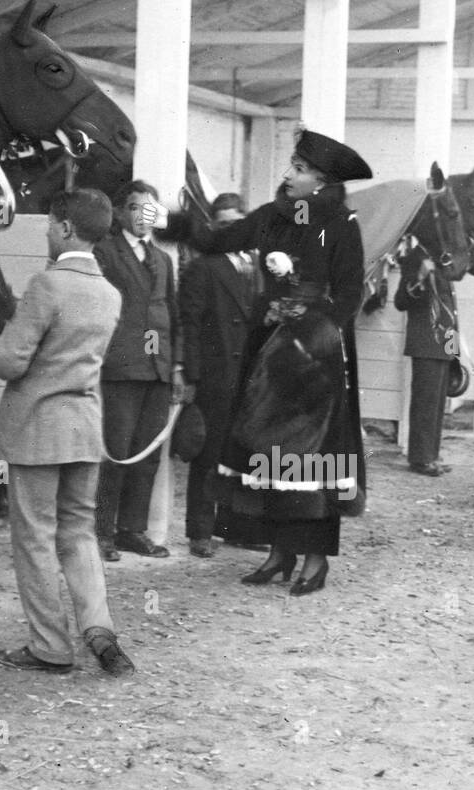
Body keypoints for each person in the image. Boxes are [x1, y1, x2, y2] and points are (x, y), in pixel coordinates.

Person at [162, 128, 371, 596]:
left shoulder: (342, 224)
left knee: (312, 460)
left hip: (315, 359)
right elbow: (216, 240)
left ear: (322, 181)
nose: (286, 175)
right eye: (290, 167)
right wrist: (170, 223)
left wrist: (315, 335)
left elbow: (351, 292)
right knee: (269, 454)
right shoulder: (273, 217)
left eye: (297, 170)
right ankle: (279, 554)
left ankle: (314, 561)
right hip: (271, 356)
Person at [0, 188, 134, 677]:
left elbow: (8, 362)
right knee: (78, 533)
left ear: (66, 228)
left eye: (51, 223)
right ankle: (100, 630)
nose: (47, 231)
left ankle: (50, 647)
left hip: (38, 431)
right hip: (85, 430)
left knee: (34, 538)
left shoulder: (46, 286)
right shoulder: (110, 294)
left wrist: (5, 330)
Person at [93, 179, 187, 561]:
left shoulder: (163, 260)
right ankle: (101, 533)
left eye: (151, 208)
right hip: (121, 369)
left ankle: (132, 530)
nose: (144, 216)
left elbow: (174, 316)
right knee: (116, 453)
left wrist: (177, 367)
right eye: (136, 207)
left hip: (158, 370)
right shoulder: (105, 253)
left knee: (148, 455)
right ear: (120, 213)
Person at [178, 192, 261, 557]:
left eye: (237, 223)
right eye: (223, 224)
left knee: (244, 455)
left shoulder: (259, 266)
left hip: (253, 377)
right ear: (214, 227)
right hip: (217, 376)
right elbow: (189, 325)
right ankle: (200, 530)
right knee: (209, 456)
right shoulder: (203, 267)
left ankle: (237, 527)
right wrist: (192, 377)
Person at [394, 240, 458, 477]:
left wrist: (454, 348)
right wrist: (420, 278)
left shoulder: (443, 256)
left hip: (443, 342)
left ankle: (431, 454)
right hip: (426, 342)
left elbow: (451, 305)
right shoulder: (415, 258)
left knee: (438, 404)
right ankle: (421, 459)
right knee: (425, 403)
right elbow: (401, 301)